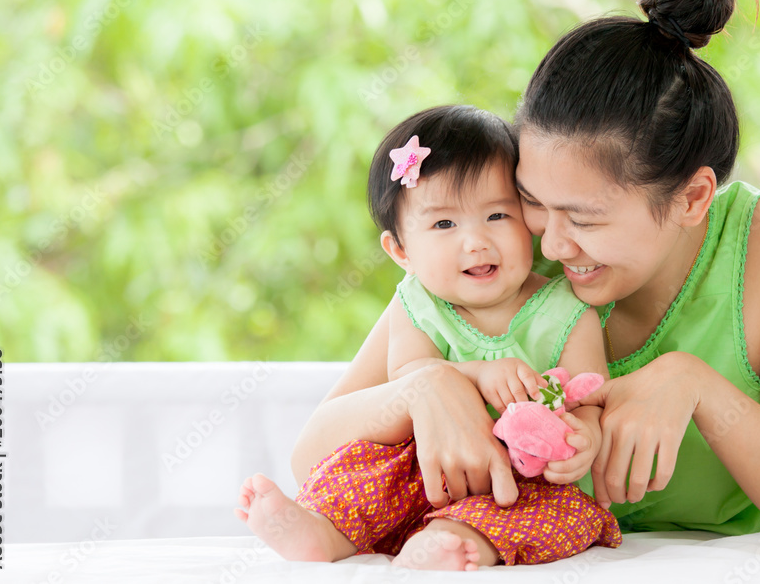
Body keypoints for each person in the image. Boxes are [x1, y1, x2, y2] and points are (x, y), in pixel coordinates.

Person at [289, 0, 760, 552]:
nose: (553, 241)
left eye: (584, 218)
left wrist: (692, 384)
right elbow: (311, 457)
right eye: (533, 199)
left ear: (693, 197)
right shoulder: (501, 245)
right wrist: (424, 387)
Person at [236, 105, 620, 570]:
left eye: (497, 214)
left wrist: (583, 444)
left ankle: (455, 539)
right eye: (444, 224)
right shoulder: (417, 306)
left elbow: (591, 401)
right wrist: (476, 374)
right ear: (400, 250)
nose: (475, 241)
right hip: (424, 474)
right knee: (360, 468)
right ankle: (323, 531)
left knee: (568, 515)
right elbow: (413, 378)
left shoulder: (569, 311)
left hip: (523, 485)